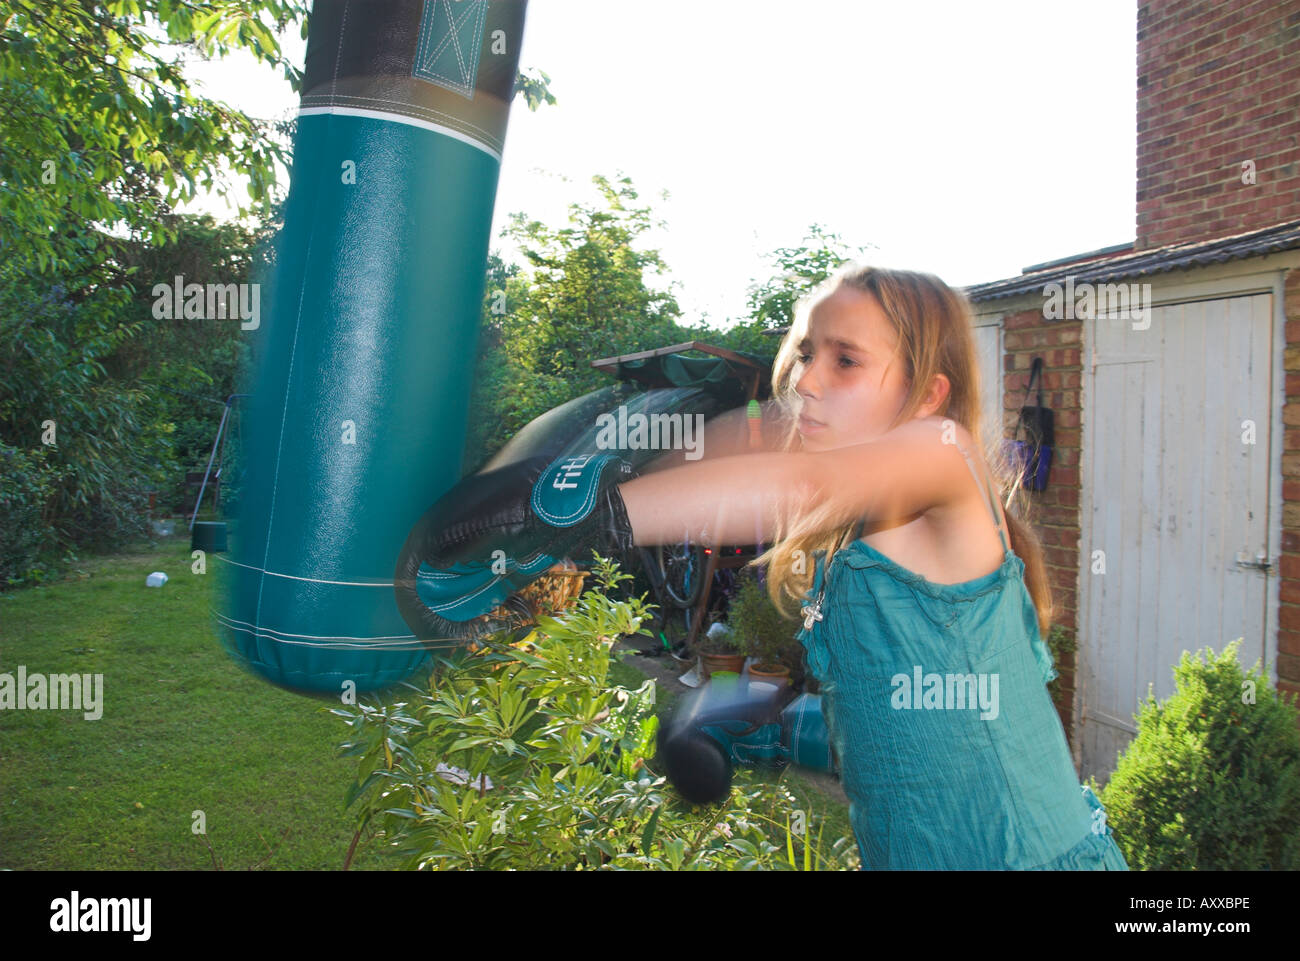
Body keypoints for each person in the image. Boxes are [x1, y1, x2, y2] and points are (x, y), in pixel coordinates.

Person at [617, 263, 1128, 870]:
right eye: (807, 353)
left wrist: (593, 516)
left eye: (846, 360)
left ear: (929, 395)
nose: (806, 380)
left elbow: (800, 483)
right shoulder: (858, 535)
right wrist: (779, 723)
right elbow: (915, 712)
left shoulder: (946, 455)